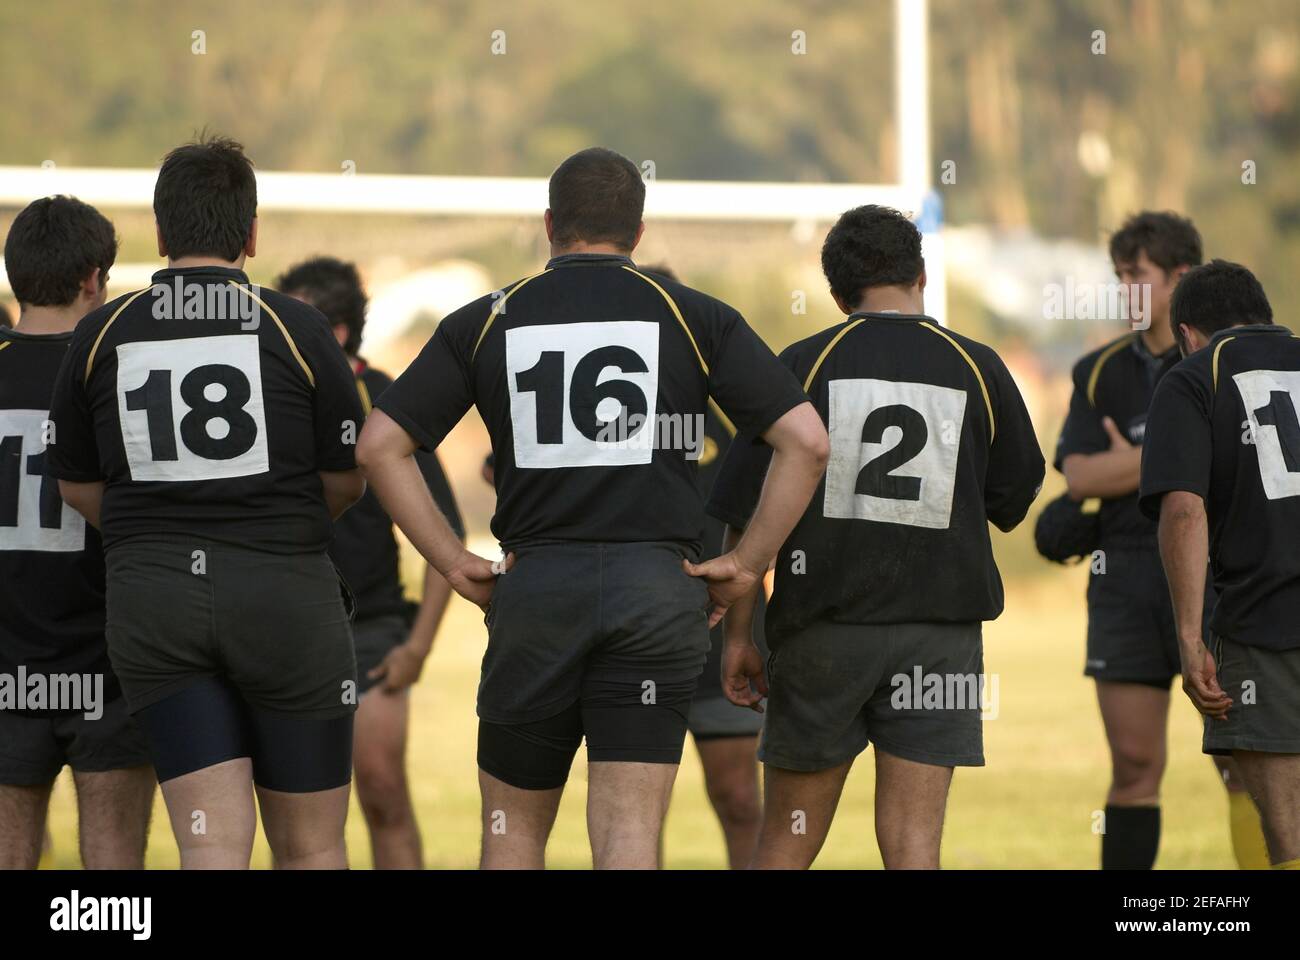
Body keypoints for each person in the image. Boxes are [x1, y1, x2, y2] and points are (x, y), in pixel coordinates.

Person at [358, 146, 829, 870]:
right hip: (656, 594)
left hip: (538, 590)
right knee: (629, 839)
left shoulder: (487, 318)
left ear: (548, 225)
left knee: (512, 836)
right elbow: (807, 443)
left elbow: (379, 447)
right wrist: (746, 563)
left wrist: (453, 562)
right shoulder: (692, 313)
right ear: (638, 234)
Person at [46, 136, 366, 869]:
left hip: (154, 601)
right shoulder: (298, 324)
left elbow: (78, 484)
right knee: (313, 847)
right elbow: (347, 475)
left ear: (160, 235)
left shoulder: (102, 331)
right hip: (285, 592)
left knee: (210, 846)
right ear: (252, 235)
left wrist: (147, 534)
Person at [705, 205, 1044, 868]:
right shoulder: (977, 365)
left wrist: (740, 638)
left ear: (837, 294)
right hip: (940, 639)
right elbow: (1012, 499)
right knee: (915, 848)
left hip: (823, 631)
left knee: (788, 840)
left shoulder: (803, 363)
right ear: (921, 273)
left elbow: (745, 515)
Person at [1054, 211, 1266, 869]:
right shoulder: (1097, 370)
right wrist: (1169, 455)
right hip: (1123, 578)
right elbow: (1076, 471)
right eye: (1118, 275)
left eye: (1135, 275)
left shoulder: (1222, 360)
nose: (1124, 289)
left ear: (1181, 277)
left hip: (1218, 574)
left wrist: (1134, 458)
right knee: (1135, 764)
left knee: (1245, 763)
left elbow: (1226, 468)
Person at [279, 256, 463, 869]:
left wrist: (417, 649)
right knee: (293, 813)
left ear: (336, 331)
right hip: (286, 628)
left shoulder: (381, 396)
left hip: (373, 627)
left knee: (382, 792)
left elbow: (445, 539)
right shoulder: (268, 392)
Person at [0, 196, 154, 869]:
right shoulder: (118, 372)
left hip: (5, 667)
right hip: (109, 666)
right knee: (113, 882)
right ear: (94, 278)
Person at [1140, 259, 1300, 870]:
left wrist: (1188, 637)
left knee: (1288, 842)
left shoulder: (1192, 377)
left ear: (1187, 333)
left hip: (1266, 625)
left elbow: (1184, 510)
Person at [640, 264, 766, 869]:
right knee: (634, 812)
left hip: (723, 636)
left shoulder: (736, 408)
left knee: (740, 799)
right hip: (631, 632)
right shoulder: (602, 407)